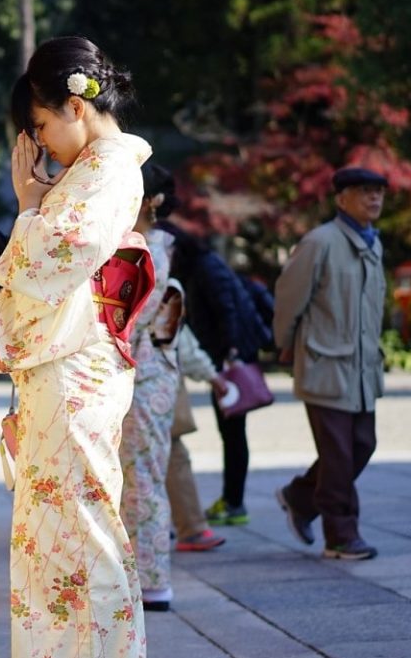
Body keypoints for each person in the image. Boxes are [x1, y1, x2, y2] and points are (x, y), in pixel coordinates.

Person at [0, 36, 151, 658]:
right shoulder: (92, 171)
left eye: (42, 124)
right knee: (58, 521)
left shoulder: (107, 169)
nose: (40, 142)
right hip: (69, 366)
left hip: (79, 370)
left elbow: (57, 252)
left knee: (81, 516)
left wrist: (28, 207)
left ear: (77, 106)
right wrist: (37, 202)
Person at [272, 166, 389, 561]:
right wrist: (284, 344)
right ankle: (341, 535)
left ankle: (299, 497)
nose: (374, 198)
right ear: (342, 199)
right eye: (365, 191)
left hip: (362, 370)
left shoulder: (374, 244)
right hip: (324, 364)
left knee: (363, 445)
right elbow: (289, 298)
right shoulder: (319, 242)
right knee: (339, 456)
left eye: (378, 192)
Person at [157, 222, 270, 527]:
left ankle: (234, 502)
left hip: (228, 356)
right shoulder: (200, 268)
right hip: (222, 353)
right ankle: (232, 500)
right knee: (231, 431)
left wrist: (231, 352)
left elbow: (226, 307)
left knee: (233, 431)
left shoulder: (206, 268)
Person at [119, 162, 182, 611]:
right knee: (141, 478)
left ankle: (152, 580)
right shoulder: (155, 247)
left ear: (149, 201)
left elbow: (128, 324)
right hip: (153, 374)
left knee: (141, 479)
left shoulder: (148, 252)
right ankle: (144, 576)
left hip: (143, 377)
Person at [168, 325, 226, 552]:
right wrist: (212, 376)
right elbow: (184, 346)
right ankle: (191, 529)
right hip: (154, 395)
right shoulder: (159, 299)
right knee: (175, 459)